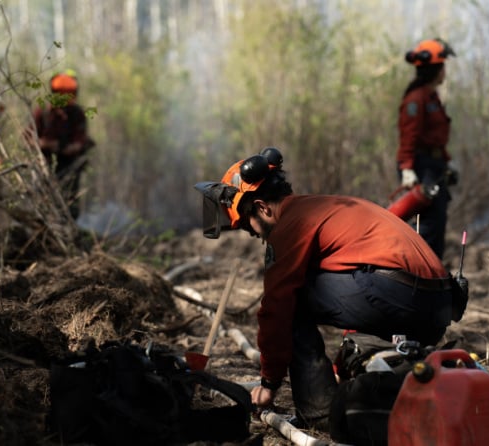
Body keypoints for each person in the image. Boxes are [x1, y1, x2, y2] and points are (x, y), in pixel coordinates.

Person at [194, 147, 466, 431]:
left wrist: (269, 383)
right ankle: (395, 386)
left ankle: (319, 414)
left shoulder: (291, 224)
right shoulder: (324, 206)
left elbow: (276, 308)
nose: (254, 234)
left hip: (401, 295)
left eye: (250, 226)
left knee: (291, 299)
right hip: (439, 304)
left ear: (262, 207)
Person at [397, 38, 458, 259]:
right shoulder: (417, 98)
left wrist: (446, 162)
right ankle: (421, 274)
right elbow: (409, 135)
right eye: (443, 66)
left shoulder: (431, 96)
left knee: (437, 223)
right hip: (421, 167)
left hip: (434, 165)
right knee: (428, 227)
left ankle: (431, 275)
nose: (445, 71)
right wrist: (407, 168)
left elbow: (435, 137)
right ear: (436, 69)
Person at [26, 70, 95, 219]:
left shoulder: (77, 114)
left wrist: (65, 148)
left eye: (68, 94)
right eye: (61, 94)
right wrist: (45, 144)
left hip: (69, 166)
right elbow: (29, 138)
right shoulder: (42, 112)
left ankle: (68, 230)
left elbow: (79, 142)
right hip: (45, 164)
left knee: (69, 203)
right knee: (42, 200)